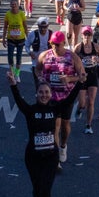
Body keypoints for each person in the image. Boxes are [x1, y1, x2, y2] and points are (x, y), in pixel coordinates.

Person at [7, 70, 83, 197]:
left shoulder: (55, 109)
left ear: (51, 95)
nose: (43, 95)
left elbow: (70, 100)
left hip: (50, 157)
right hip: (32, 157)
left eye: (47, 92)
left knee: (46, 190)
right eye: (41, 92)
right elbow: (19, 101)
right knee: (37, 189)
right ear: (36, 94)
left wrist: (80, 83)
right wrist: (13, 85)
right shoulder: (30, 110)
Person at [35, 31, 86, 165]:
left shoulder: (73, 57)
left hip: (66, 97)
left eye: (57, 44)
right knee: (55, 126)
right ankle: (56, 156)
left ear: (64, 43)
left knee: (65, 125)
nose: (55, 47)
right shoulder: (44, 55)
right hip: (50, 97)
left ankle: (63, 145)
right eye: (52, 44)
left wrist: (70, 78)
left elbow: (83, 76)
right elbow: (37, 69)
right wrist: (40, 79)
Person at [74, 26, 99, 134]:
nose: (87, 37)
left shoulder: (96, 47)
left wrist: (97, 59)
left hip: (92, 75)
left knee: (91, 101)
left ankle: (88, 125)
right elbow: (71, 61)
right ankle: (79, 109)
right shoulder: (78, 48)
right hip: (82, 77)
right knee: (82, 103)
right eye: (85, 35)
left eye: (89, 35)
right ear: (82, 36)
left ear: (91, 36)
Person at [1, 0, 29, 81]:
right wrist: (3, 38)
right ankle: (12, 73)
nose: (14, 6)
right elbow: (5, 27)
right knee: (10, 57)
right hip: (11, 39)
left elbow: (25, 26)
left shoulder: (21, 14)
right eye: (12, 4)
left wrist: (28, 38)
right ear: (10, 5)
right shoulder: (8, 14)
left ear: (18, 5)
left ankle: (17, 74)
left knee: (18, 57)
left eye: (15, 4)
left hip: (20, 39)